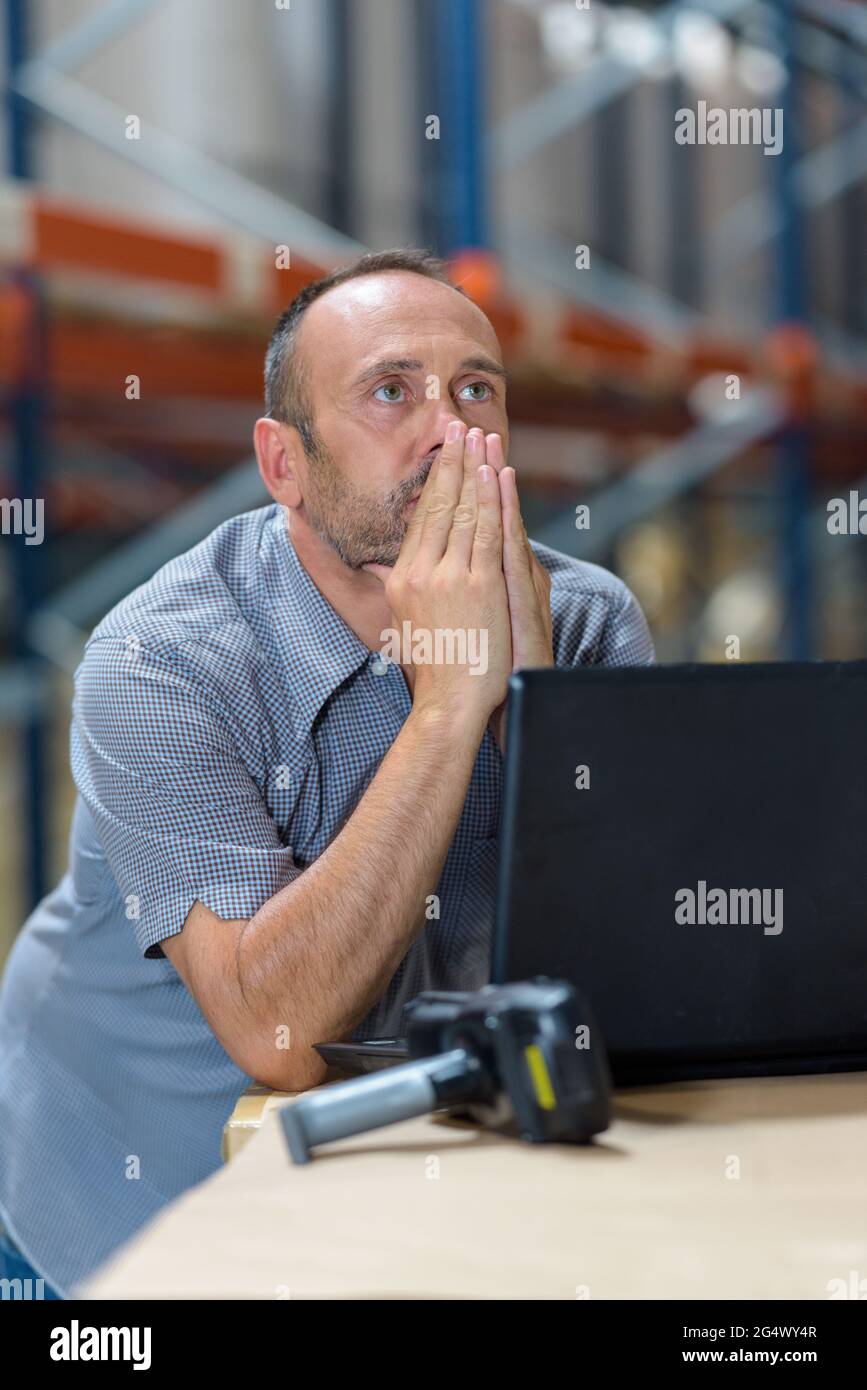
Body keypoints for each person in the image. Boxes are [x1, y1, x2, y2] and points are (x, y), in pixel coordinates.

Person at [0, 248, 654, 1297]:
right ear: (283, 466)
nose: (450, 430)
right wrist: (450, 708)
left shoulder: (584, 619)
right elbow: (281, 1033)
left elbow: (628, 984)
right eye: (391, 391)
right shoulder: (161, 659)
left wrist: (534, 709)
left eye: (476, 390)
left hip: (387, 1195)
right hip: (119, 1206)